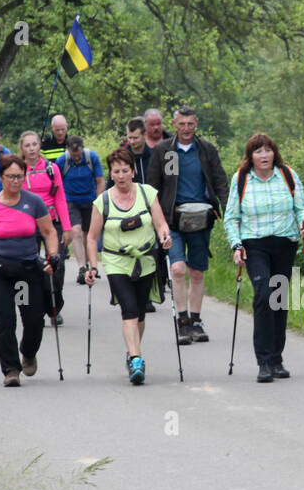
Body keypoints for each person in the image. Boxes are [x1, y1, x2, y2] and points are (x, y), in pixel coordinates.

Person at [224, 133, 304, 382]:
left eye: (268, 150)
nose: (264, 155)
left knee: (279, 299)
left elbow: (302, 206)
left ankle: (276, 359)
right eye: (258, 151)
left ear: (275, 153)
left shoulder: (287, 175)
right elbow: (231, 216)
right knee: (264, 295)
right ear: (250, 156)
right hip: (254, 244)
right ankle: (263, 361)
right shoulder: (241, 179)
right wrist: (236, 245)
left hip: (285, 242)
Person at [0, 154, 62, 387]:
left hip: (27, 271)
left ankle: (28, 352)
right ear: (1, 178)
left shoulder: (34, 203)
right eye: (10, 177)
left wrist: (53, 255)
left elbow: (49, 232)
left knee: (32, 320)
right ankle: (11, 369)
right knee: (5, 319)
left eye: (19, 176)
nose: (15, 181)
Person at [85, 148, 172, 384]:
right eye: (116, 171)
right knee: (129, 309)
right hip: (116, 262)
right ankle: (136, 358)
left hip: (145, 259)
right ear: (111, 174)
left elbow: (160, 223)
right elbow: (92, 237)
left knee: (140, 313)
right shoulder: (102, 201)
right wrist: (92, 266)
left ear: (133, 171)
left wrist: (165, 236)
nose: (121, 176)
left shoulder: (147, 194)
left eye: (125, 170)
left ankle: (132, 352)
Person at [145, 105, 228, 343]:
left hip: (202, 218)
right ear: (174, 125)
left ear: (197, 124)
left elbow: (220, 181)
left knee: (197, 272)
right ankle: (182, 320)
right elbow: (153, 188)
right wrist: (156, 221)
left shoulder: (207, 150)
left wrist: (227, 208)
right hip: (173, 220)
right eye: (182, 124)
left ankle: (196, 321)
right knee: (178, 269)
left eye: (190, 124)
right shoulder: (164, 151)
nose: (186, 128)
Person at [17, 130, 71, 324]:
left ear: (40, 146)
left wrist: (66, 227)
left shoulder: (51, 168)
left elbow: (61, 198)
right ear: (21, 148)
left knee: (57, 264)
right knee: (30, 266)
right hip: (27, 224)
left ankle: (54, 306)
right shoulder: (18, 171)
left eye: (34, 144)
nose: (32, 149)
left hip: (52, 222)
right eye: (27, 145)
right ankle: (34, 307)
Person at [55, 135, 106, 283]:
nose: (76, 158)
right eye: (73, 154)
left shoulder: (91, 157)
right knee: (76, 232)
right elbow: (57, 184)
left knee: (88, 235)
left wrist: (99, 201)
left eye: (78, 154)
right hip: (70, 201)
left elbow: (100, 181)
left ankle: (90, 265)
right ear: (69, 150)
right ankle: (81, 267)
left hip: (90, 200)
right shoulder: (62, 161)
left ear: (83, 148)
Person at [124, 117, 151, 184]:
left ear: (145, 135)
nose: (132, 142)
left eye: (135, 138)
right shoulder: (121, 158)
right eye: (129, 138)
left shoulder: (154, 157)